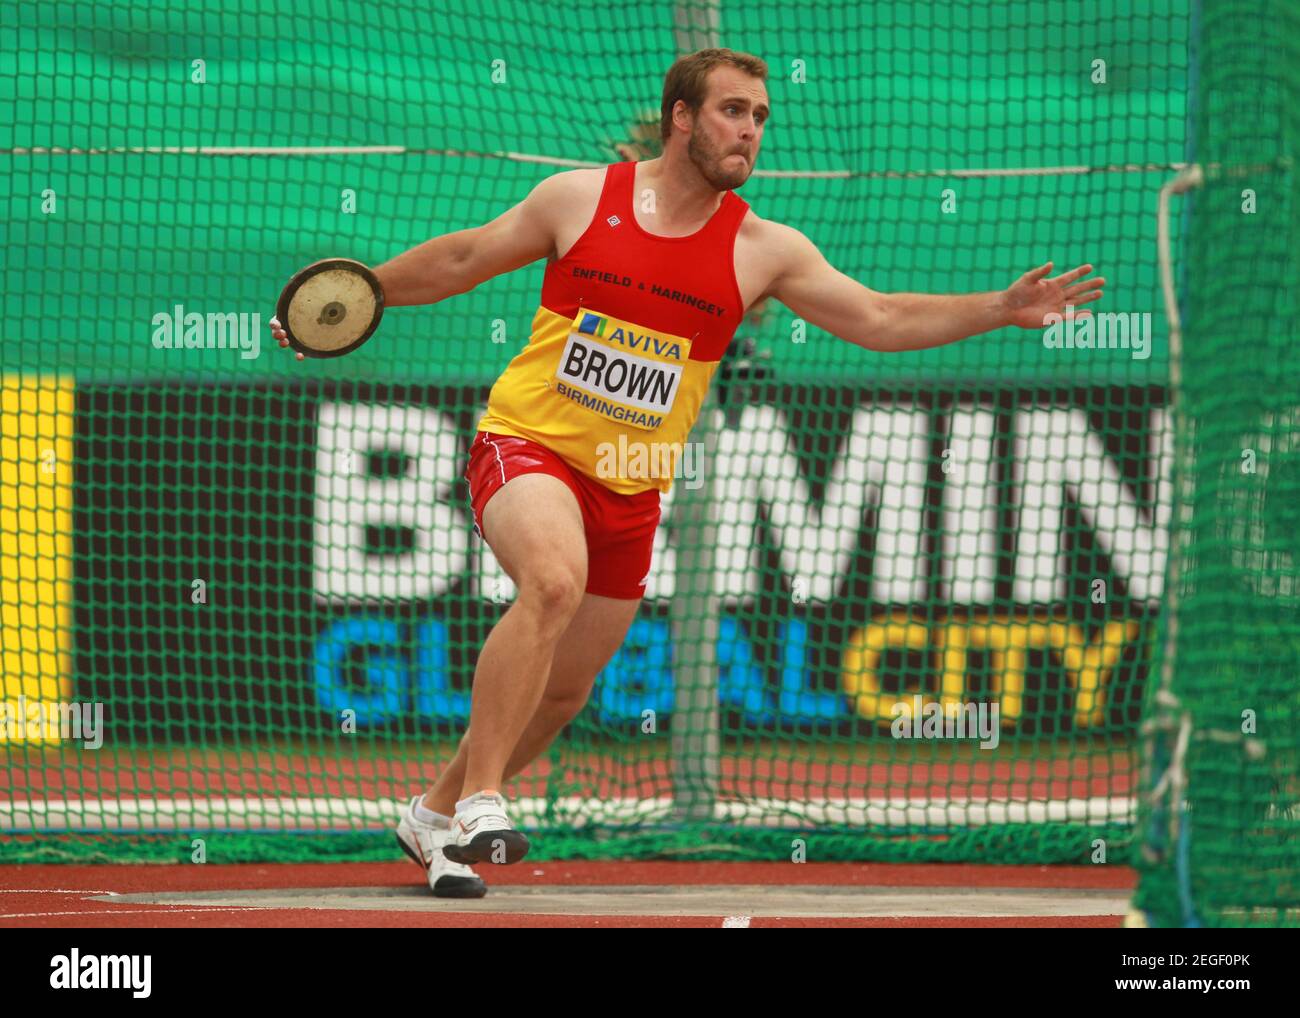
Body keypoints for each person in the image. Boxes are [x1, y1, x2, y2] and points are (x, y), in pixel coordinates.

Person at [269, 47, 1104, 898]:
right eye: (733, 111)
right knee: (552, 584)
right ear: (681, 117)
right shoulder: (580, 198)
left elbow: (881, 317)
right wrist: (354, 295)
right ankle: (484, 799)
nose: (749, 131)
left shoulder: (763, 251)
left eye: (759, 118)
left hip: (632, 480)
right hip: (527, 445)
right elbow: (461, 260)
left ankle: (433, 817)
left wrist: (999, 310)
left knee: (563, 694)